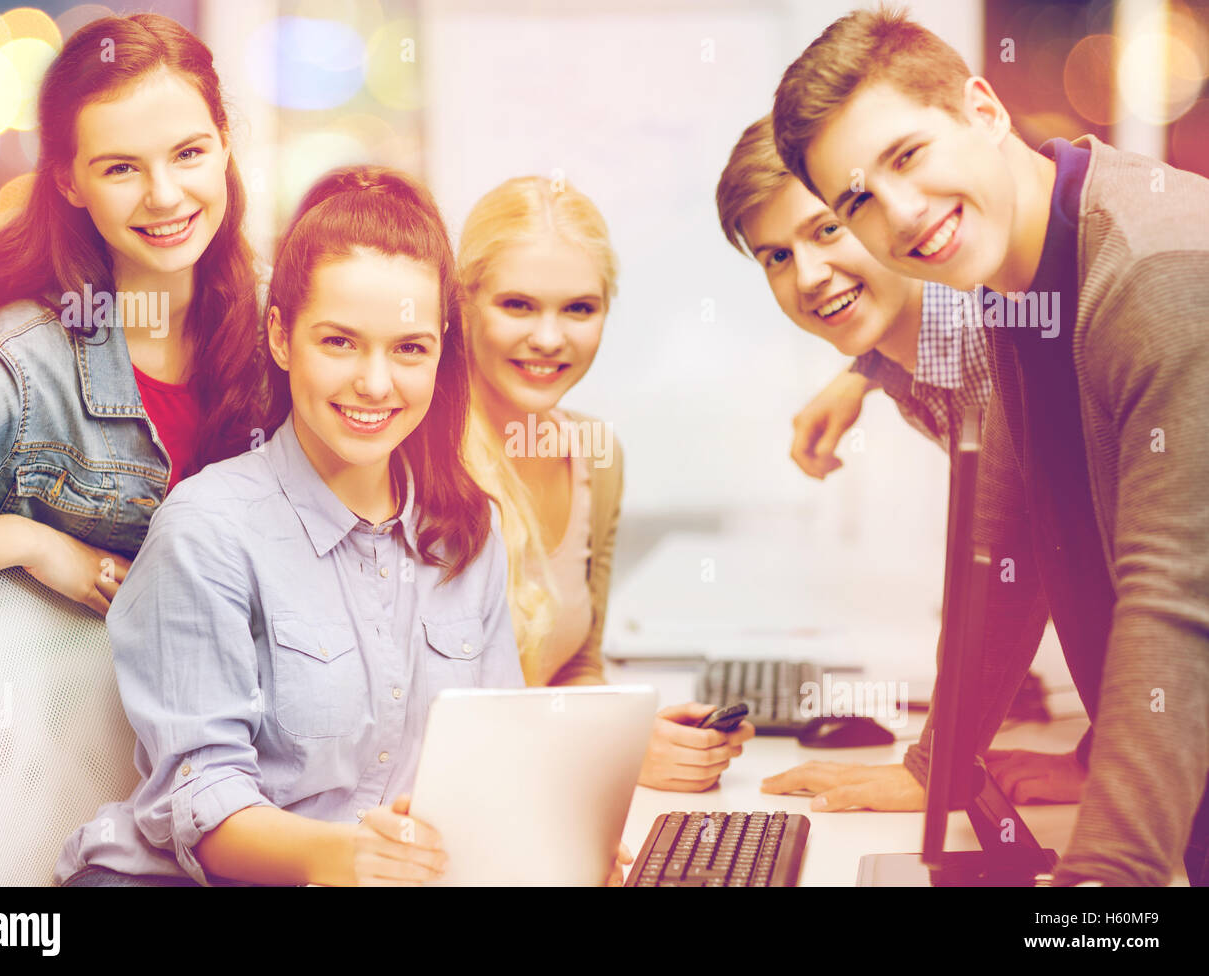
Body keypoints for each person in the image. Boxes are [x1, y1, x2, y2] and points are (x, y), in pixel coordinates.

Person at [768, 5, 1209, 886]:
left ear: (983, 108)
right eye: (857, 200)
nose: (900, 213)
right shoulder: (1019, 276)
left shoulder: (1158, 271)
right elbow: (1008, 541)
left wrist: (1099, 892)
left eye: (907, 155)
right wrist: (939, 770)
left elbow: (1180, 608)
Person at [54, 166, 577, 886]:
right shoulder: (208, 531)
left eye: (409, 348)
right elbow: (201, 806)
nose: (375, 382)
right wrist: (347, 858)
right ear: (280, 336)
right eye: (339, 342)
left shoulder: (468, 529)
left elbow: (497, 763)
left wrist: (554, 842)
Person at [0, 14, 263, 616]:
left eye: (188, 153)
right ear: (70, 182)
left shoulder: (283, 328)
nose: (165, 195)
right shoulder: (16, 373)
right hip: (78, 709)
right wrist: (28, 544)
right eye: (121, 167)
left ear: (225, 144)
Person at [457, 176, 754, 792]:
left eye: (579, 309)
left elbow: (575, 666)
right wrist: (607, 749)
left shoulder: (596, 456)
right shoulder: (419, 457)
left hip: (543, 797)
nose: (548, 337)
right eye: (517, 304)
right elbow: (416, 714)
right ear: (463, 301)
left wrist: (633, 729)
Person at [715, 113, 991, 469]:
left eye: (828, 230)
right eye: (779, 256)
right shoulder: (905, 358)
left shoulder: (994, 341)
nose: (807, 278)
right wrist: (860, 375)